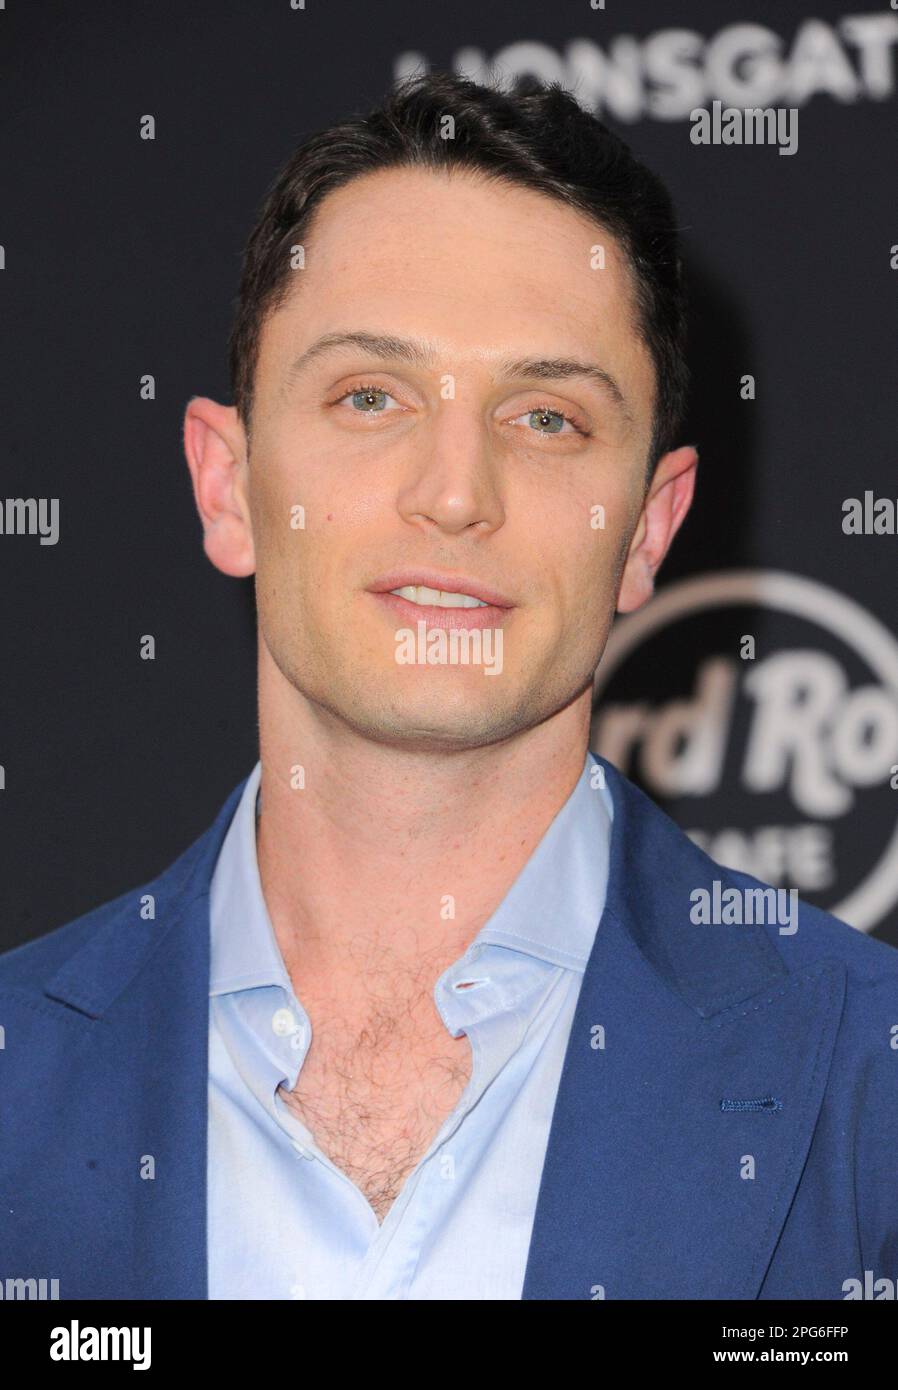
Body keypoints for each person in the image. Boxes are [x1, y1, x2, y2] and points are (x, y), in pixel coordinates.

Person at [1, 71, 895, 1302]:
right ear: (226, 484)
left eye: (545, 417)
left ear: (646, 527)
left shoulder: (871, 1079)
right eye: (371, 396)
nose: (455, 489)